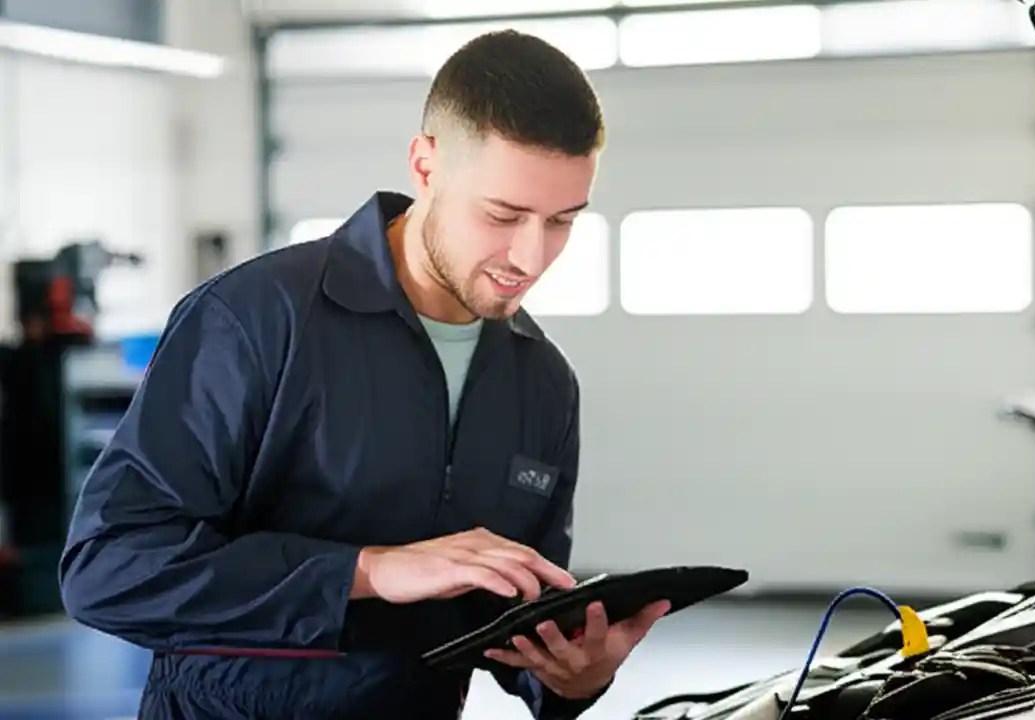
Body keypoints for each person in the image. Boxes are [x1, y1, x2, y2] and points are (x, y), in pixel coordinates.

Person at [58, 30, 669, 719]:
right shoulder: (254, 320)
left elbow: (516, 626)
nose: (531, 256)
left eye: (562, 221)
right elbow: (109, 570)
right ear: (425, 166)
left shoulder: (542, 384)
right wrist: (367, 571)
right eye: (503, 215)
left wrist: (572, 677)